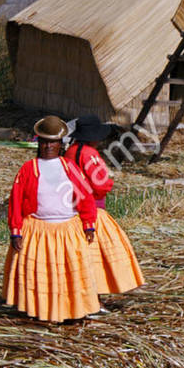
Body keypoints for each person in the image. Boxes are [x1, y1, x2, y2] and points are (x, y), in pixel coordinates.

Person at [4, 115, 100, 322]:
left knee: (69, 274)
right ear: (38, 143)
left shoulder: (69, 167)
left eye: (53, 142)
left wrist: (89, 224)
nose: (48, 146)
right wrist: (16, 230)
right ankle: (39, 310)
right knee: (41, 275)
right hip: (38, 231)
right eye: (44, 141)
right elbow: (16, 201)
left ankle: (71, 311)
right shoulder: (29, 169)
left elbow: (85, 197)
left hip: (68, 230)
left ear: (60, 144)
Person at [64, 115, 144, 295]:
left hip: (71, 209)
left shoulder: (70, 151)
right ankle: (95, 294)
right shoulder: (90, 154)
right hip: (93, 210)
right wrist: (109, 184)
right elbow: (100, 183)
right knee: (97, 255)